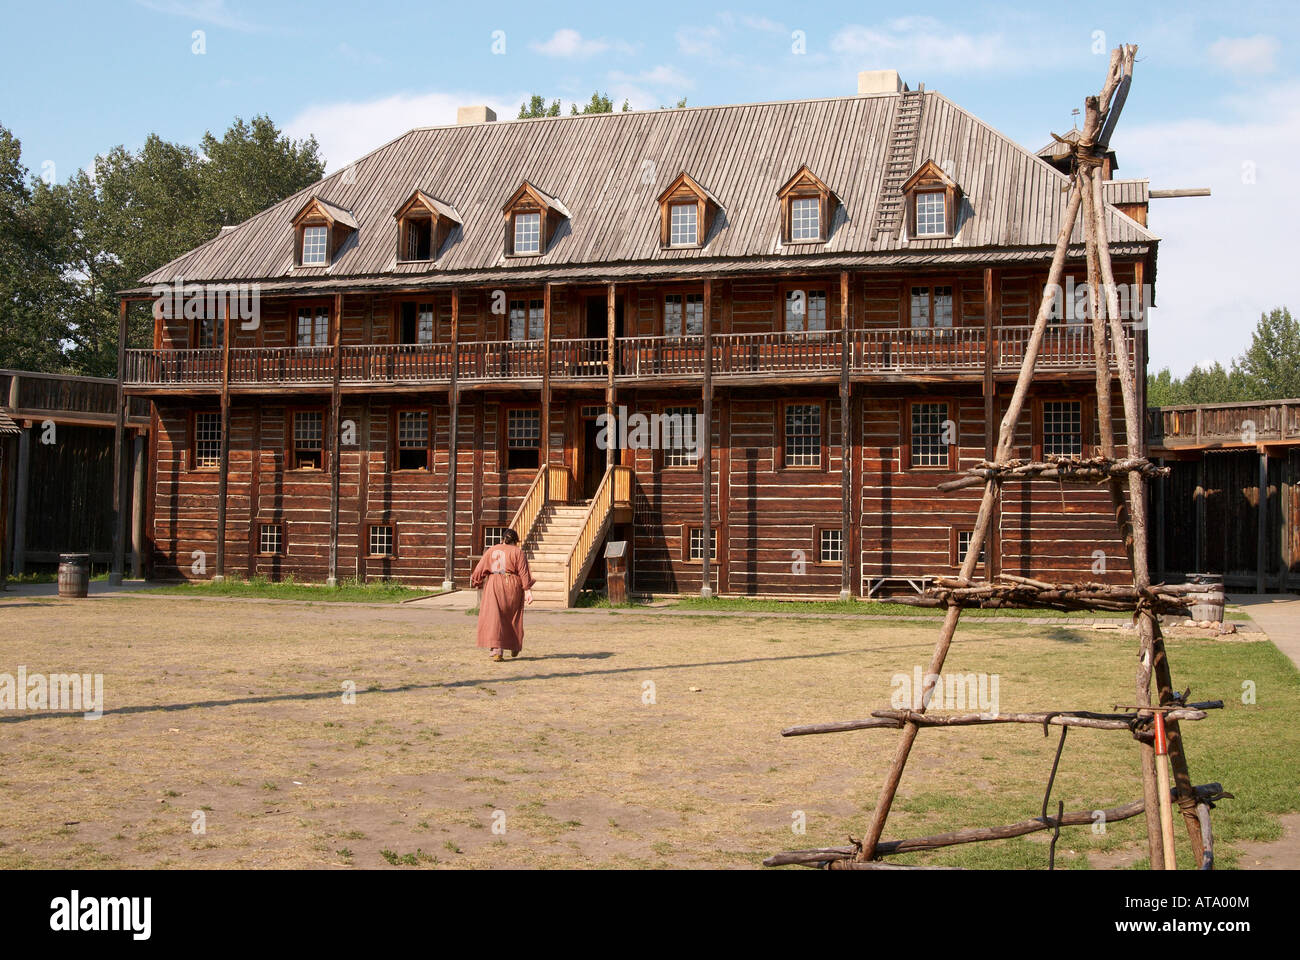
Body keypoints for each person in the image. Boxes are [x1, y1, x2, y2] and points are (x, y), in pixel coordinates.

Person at [469, 529, 535, 661]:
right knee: (513, 617)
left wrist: (476, 581)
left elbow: (480, 568)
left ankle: (497, 651)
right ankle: (514, 645)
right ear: (515, 541)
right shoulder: (518, 552)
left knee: (495, 618)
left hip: (494, 584)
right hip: (513, 584)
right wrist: (528, 590)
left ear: (503, 539)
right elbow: (523, 572)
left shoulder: (491, 550)